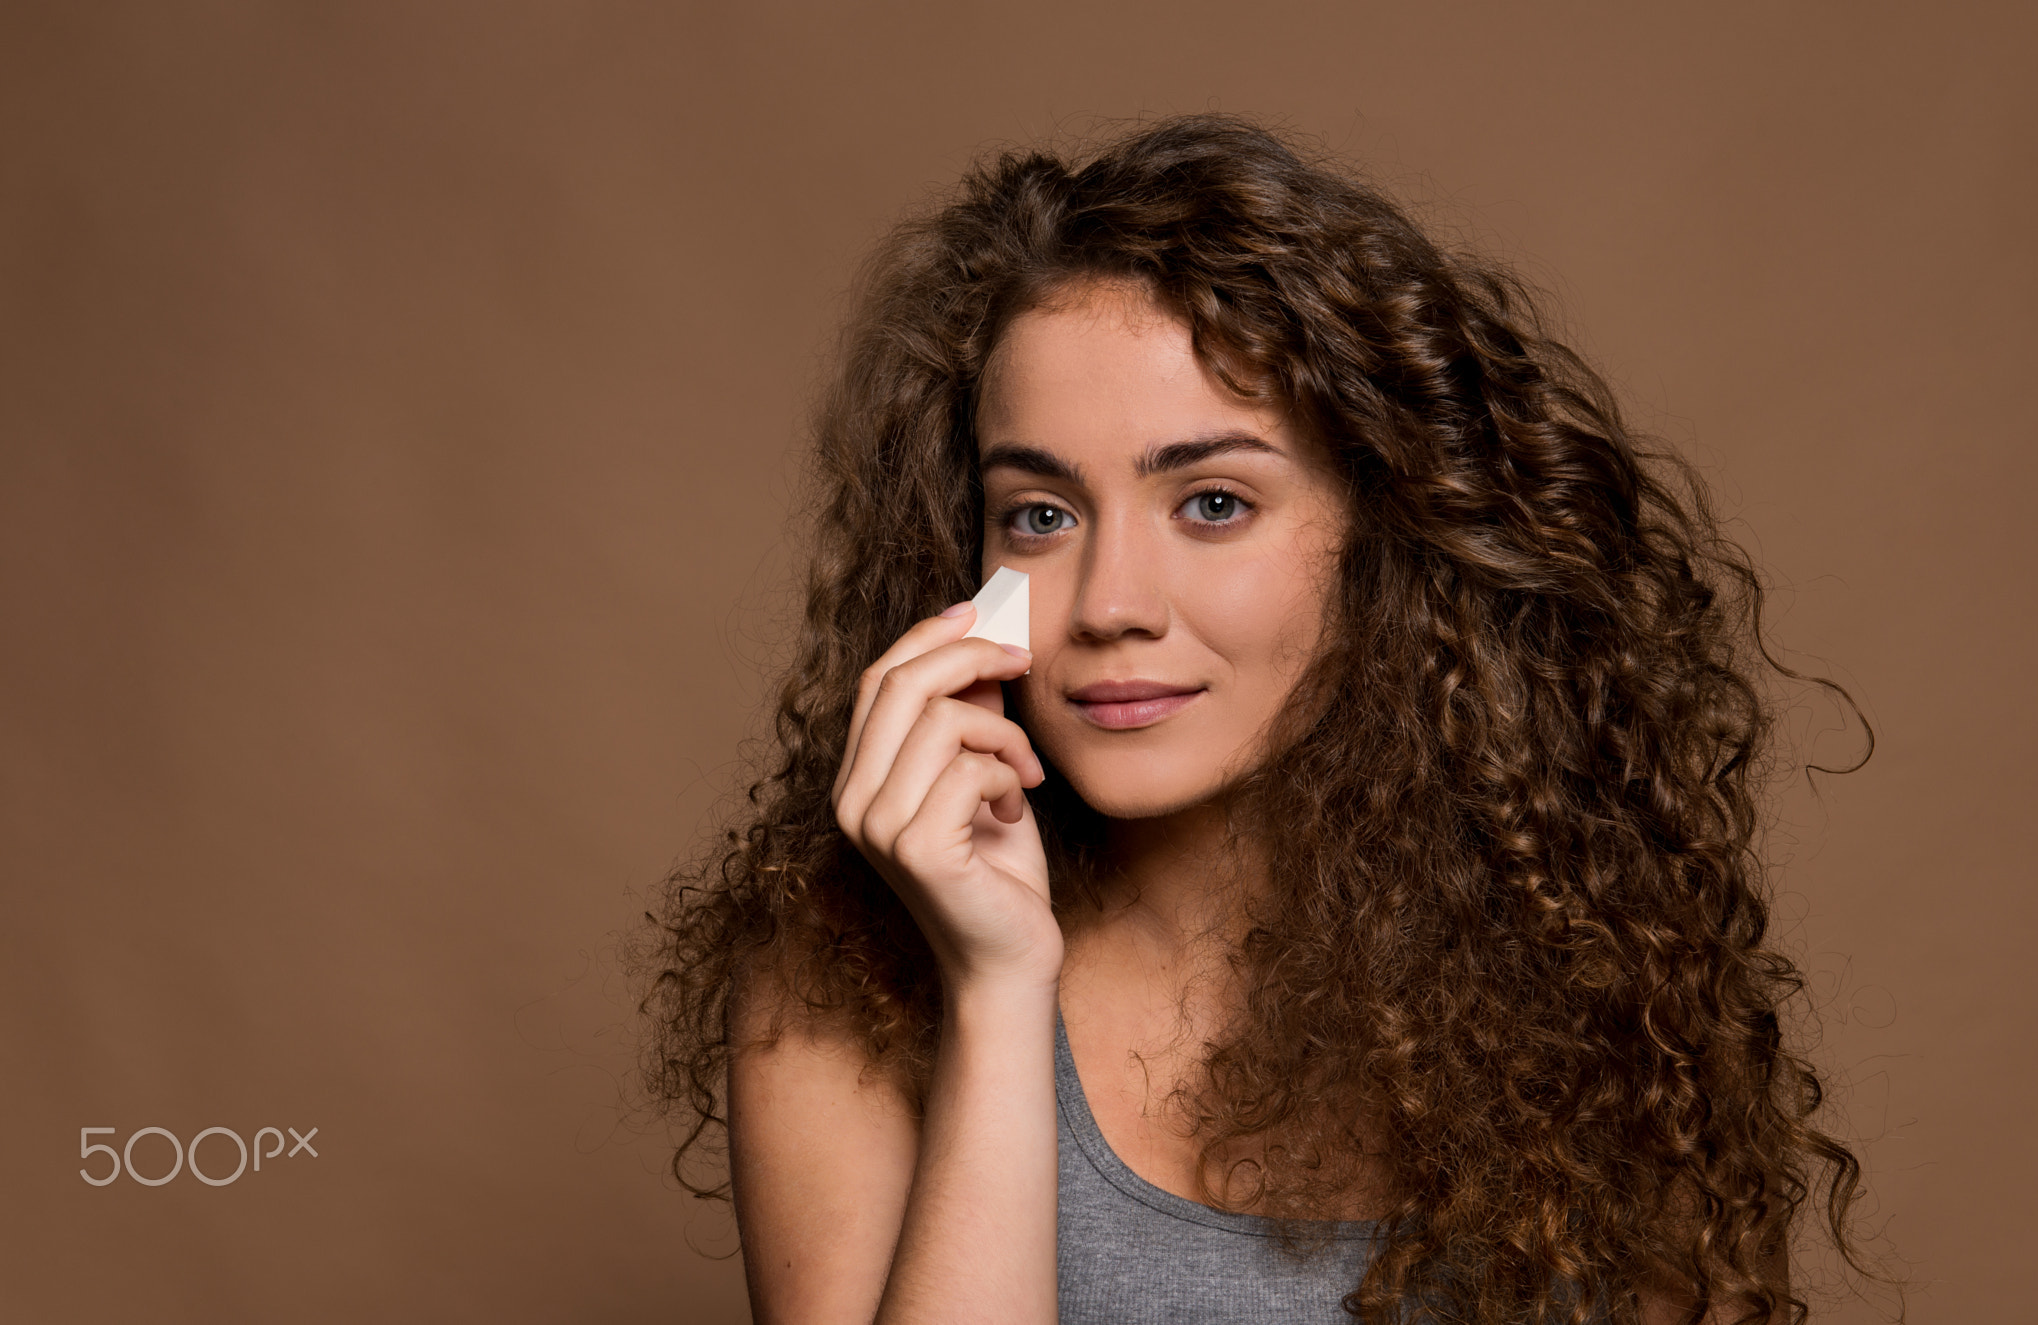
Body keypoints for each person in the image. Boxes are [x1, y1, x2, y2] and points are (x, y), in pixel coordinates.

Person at [639, 114, 1873, 1324]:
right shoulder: (842, 990)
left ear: (1386, 534)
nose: (1110, 604)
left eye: (1213, 500)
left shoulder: (1594, 982)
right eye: (1040, 515)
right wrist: (995, 986)